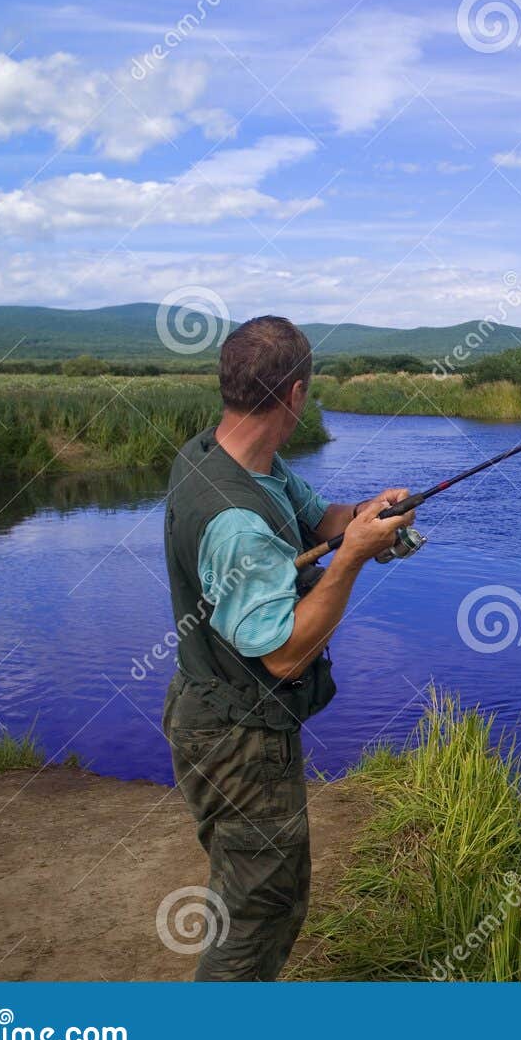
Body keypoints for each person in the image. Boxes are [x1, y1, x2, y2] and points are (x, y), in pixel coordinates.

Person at [160, 315, 415, 980]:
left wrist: (367, 517)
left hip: (216, 711)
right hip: (237, 735)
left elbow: (319, 517)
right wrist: (352, 560)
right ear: (297, 394)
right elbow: (284, 656)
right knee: (258, 914)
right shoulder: (236, 520)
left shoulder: (227, 457)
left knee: (254, 891)